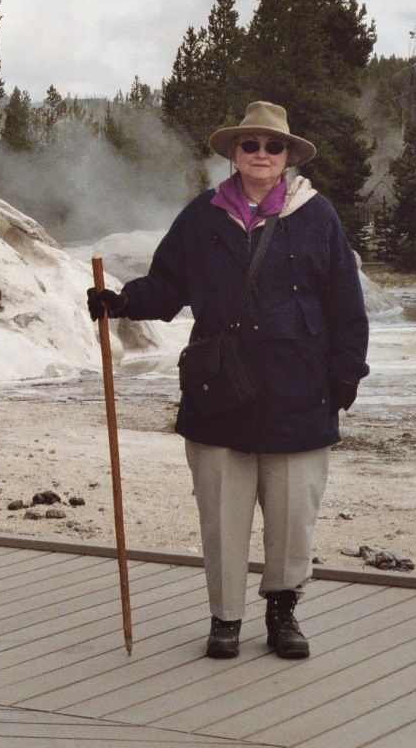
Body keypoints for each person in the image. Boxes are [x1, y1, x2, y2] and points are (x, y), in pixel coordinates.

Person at [87, 101, 368, 660]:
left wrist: (344, 377)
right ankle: (226, 618)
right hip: (219, 392)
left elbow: (346, 305)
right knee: (221, 516)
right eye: (251, 144)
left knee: (292, 516)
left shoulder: (318, 216)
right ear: (235, 153)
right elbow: (168, 285)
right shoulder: (202, 216)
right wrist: (123, 301)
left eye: (273, 145)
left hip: (298, 394)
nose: (262, 154)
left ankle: (283, 613)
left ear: (287, 156)